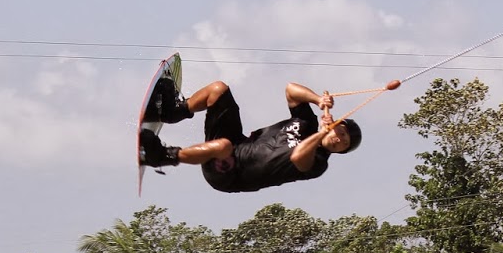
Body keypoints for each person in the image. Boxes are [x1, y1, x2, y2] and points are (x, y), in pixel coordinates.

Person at [139, 77, 362, 193]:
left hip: (232, 174)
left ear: (340, 151)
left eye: (344, 144)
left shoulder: (319, 163)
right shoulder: (306, 123)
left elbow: (297, 157)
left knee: (222, 147)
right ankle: (174, 112)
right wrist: (318, 100)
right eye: (341, 133)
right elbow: (291, 90)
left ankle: (163, 156)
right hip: (238, 143)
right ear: (335, 125)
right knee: (218, 89)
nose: (339, 139)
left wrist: (320, 134)